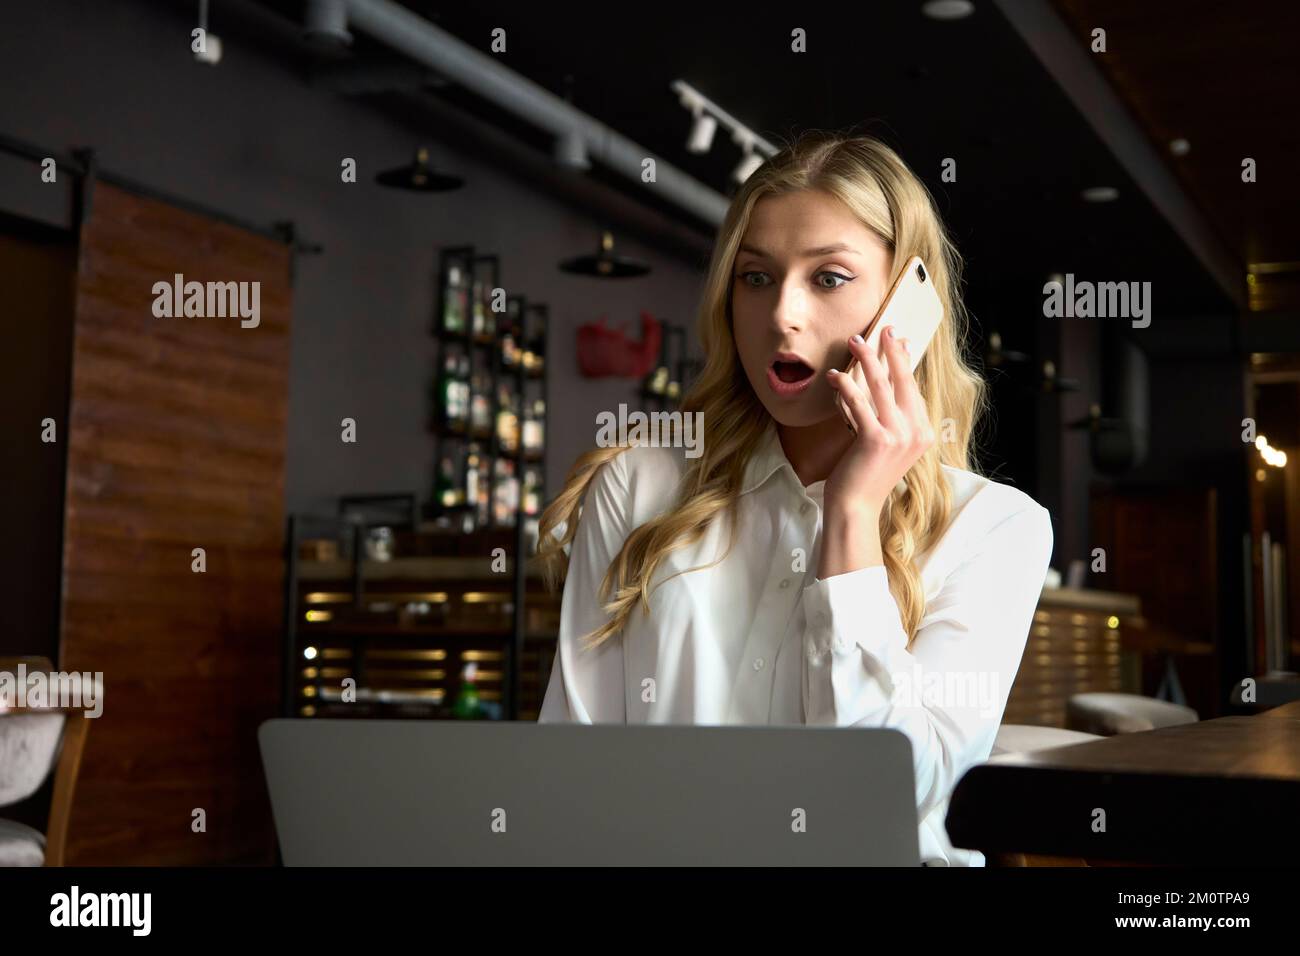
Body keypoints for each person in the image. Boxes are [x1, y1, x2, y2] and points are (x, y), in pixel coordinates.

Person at [535, 129, 1053, 866]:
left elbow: (894, 792)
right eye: (756, 278)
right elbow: (573, 769)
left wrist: (851, 515)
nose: (782, 314)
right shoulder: (641, 484)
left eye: (829, 278)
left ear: (911, 307)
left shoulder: (998, 529)